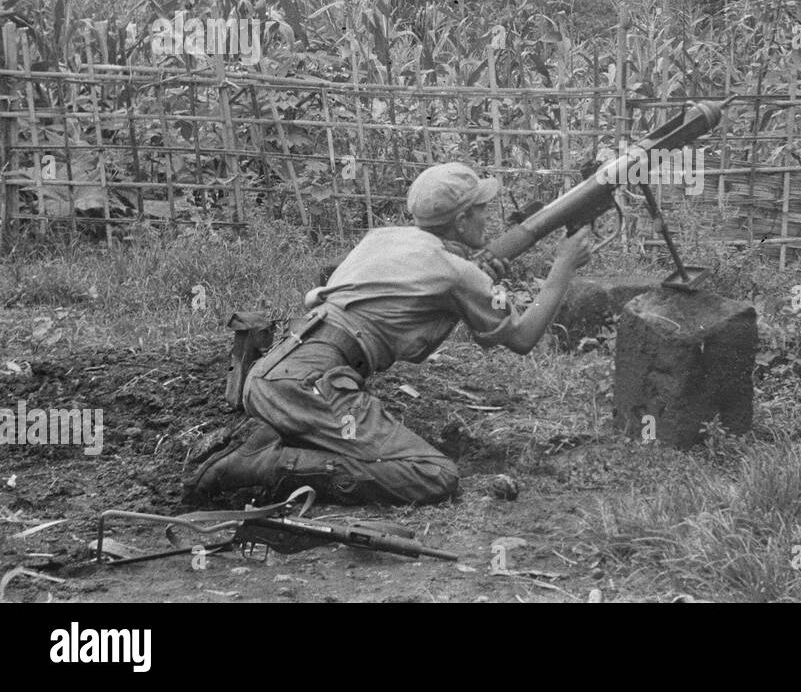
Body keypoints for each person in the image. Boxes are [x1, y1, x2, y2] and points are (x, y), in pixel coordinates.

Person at [183, 162, 594, 507]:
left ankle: (272, 438)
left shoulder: (383, 240)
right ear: (462, 219)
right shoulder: (453, 271)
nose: (489, 218)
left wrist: (478, 282)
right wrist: (562, 268)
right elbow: (521, 339)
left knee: (352, 440)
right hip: (311, 385)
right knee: (432, 475)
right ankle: (265, 467)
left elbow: (444, 304)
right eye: (482, 210)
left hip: (271, 374)